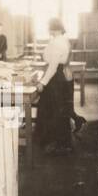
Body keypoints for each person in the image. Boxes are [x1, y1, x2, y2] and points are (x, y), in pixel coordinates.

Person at [34, 17, 79, 155]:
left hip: (55, 78)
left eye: (50, 27)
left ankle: (54, 143)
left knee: (52, 110)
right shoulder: (60, 40)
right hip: (58, 76)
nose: (48, 30)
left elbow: (53, 67)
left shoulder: (57, 42)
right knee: (57, 110)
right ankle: (58, 143)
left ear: (56, 28)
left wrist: (42, 82)